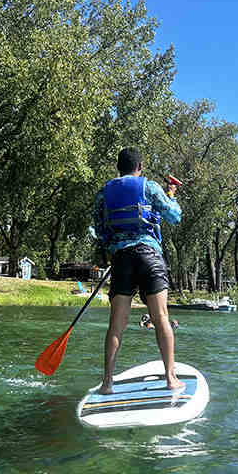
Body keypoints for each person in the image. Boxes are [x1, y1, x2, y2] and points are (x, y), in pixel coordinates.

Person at [94, 147, 182, 394]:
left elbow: (99, 229)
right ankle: (171, 378)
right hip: (149, 256)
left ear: (118, 167)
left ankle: (107, 383)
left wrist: (114, 246)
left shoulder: (104, 192)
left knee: (116, 324)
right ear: (140, 167)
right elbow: (174, 216)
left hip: (121, 259)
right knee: (161, 317)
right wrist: (171, 195)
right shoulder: (150, 187)